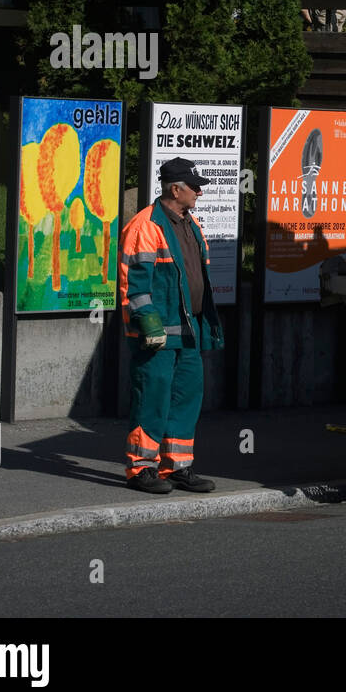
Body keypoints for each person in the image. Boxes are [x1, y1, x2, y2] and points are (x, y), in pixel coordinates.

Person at [118, 157, 225, 494]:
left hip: (189, 330)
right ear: (175, 188)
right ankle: (141, 469)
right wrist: (148, 325)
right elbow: (133, 285)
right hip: (158, 334)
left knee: (185, 398)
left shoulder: (188, 223)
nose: (199, 193)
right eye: (195, 187)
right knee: (152, 398)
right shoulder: (145, 226)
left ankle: (176, 467)